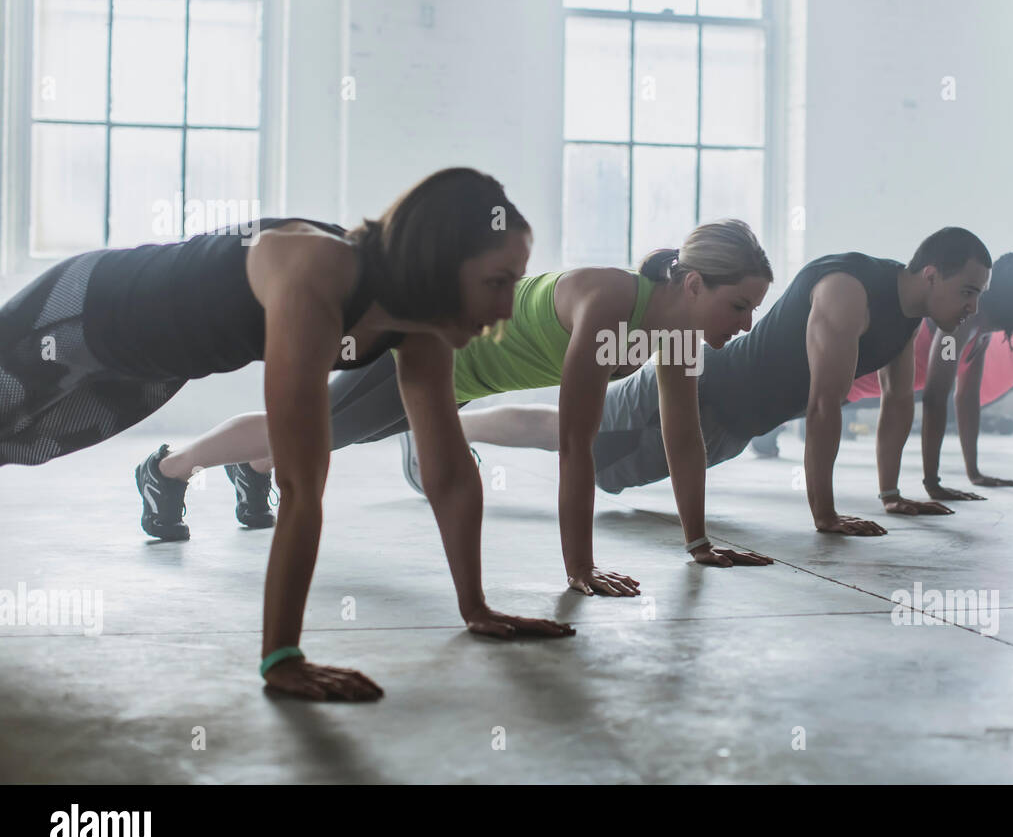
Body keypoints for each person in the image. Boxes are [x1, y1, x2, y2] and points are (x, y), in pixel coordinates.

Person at [0, 167, 575, 701]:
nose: (506, 307)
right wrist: (282, 657)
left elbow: (448, 475)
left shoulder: (421, 329)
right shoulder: (316, 271)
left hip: (150, 365)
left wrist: (475, 606)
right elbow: (301, 485)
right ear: (437, 262)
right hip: (79, 312)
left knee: (19, 448)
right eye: (497, 281)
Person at [152, 220, 777, 587]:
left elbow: (684, 439)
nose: (748, 325)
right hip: (419, 347)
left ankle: (254, 467)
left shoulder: (676, 337)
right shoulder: (609, 301)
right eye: (739, 306)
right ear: (693, 285)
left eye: (754, 309)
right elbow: (576, 444)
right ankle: (167, 470)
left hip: (458, 383)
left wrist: (698, 543)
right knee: (320, 427)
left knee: (342, 434)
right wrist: (580, 569)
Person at [445, 227, 995, 538]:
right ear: (931, 274)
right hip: (707, 387)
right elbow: (824, 405)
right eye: (968, 291)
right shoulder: (849, 289)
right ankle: (444, 427)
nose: (973, 307)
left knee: (607, 471)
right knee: (574, 433)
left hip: (729, 430)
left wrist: (891, 495)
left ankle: (445, 426)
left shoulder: (903, 320)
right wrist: (824, 517)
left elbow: (899, 404)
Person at [840, 251, 1013, 498]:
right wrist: (932, 483)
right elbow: (935, 398)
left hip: (858, 390)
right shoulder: (962, 322)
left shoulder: (982, 333)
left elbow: (967, 399)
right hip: (849, 380)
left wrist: (974, 473)